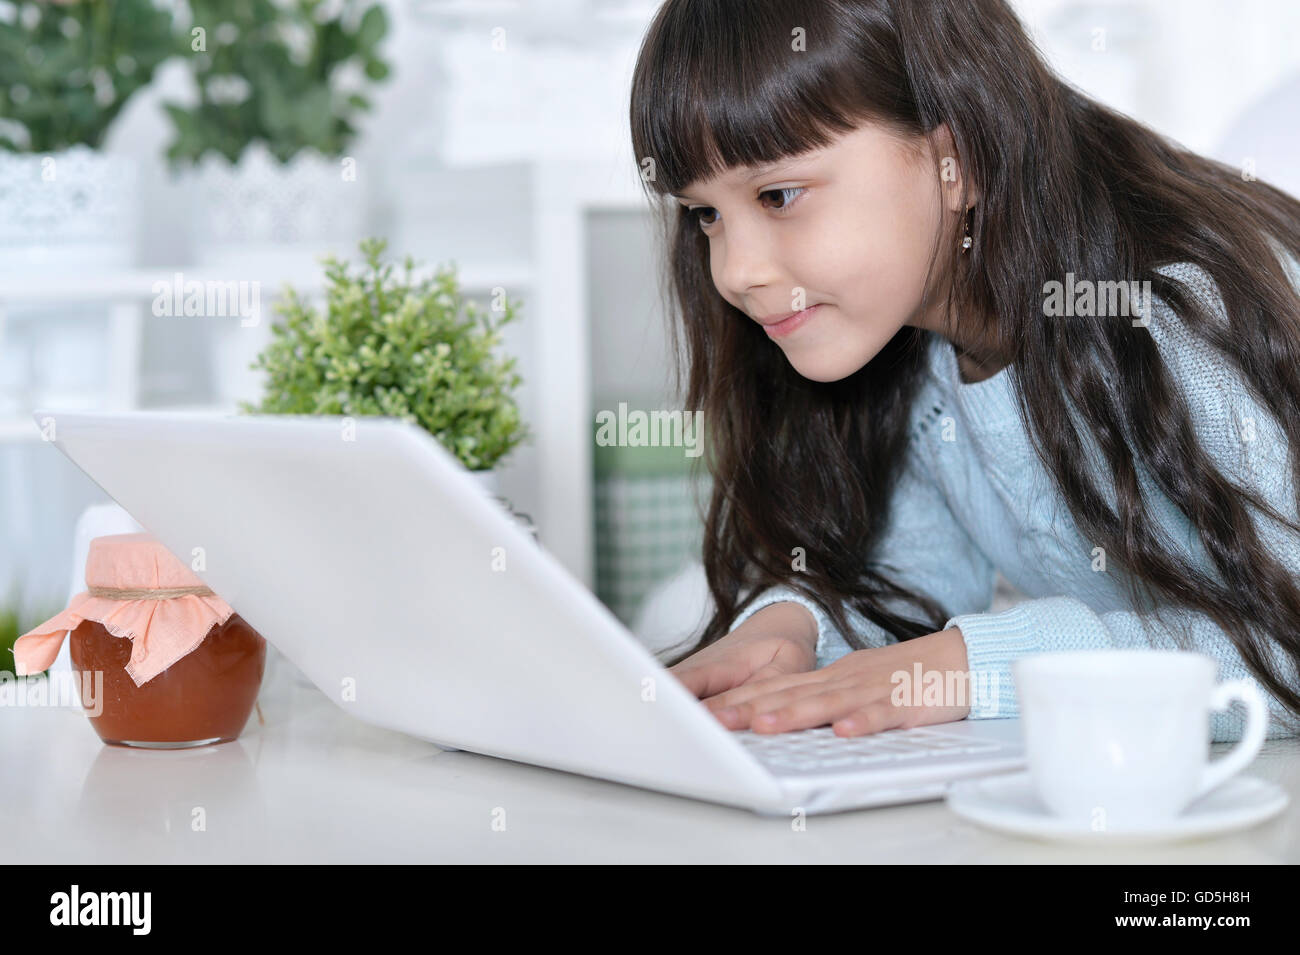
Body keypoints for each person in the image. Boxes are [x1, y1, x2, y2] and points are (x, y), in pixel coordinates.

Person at [627, 0, 1300, 742]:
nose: (736, 271)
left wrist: (972, 664)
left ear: (959, 163)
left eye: (778, 195)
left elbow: (1287, 645)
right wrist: (796, 626)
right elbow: (917, 573)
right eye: (705, 215)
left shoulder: (1180, 308)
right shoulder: (909, 335)